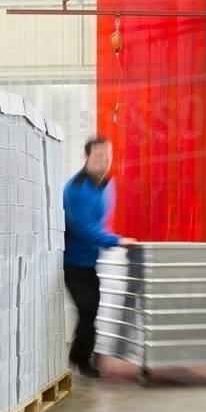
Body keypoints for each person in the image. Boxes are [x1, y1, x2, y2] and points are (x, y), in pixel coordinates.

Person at [63, 136, 135, 377]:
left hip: (90, 262)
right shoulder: (75, 188)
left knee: (92, 310)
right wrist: (116, 240)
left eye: (107, 157)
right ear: (87, 158)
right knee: (87, 307)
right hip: (71, 262)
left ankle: (84, 356)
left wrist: (110, 240)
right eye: (98, 158)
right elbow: (83, 228)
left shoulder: (106, 186)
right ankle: (80, 358)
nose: (104, 163)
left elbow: (100, 224)